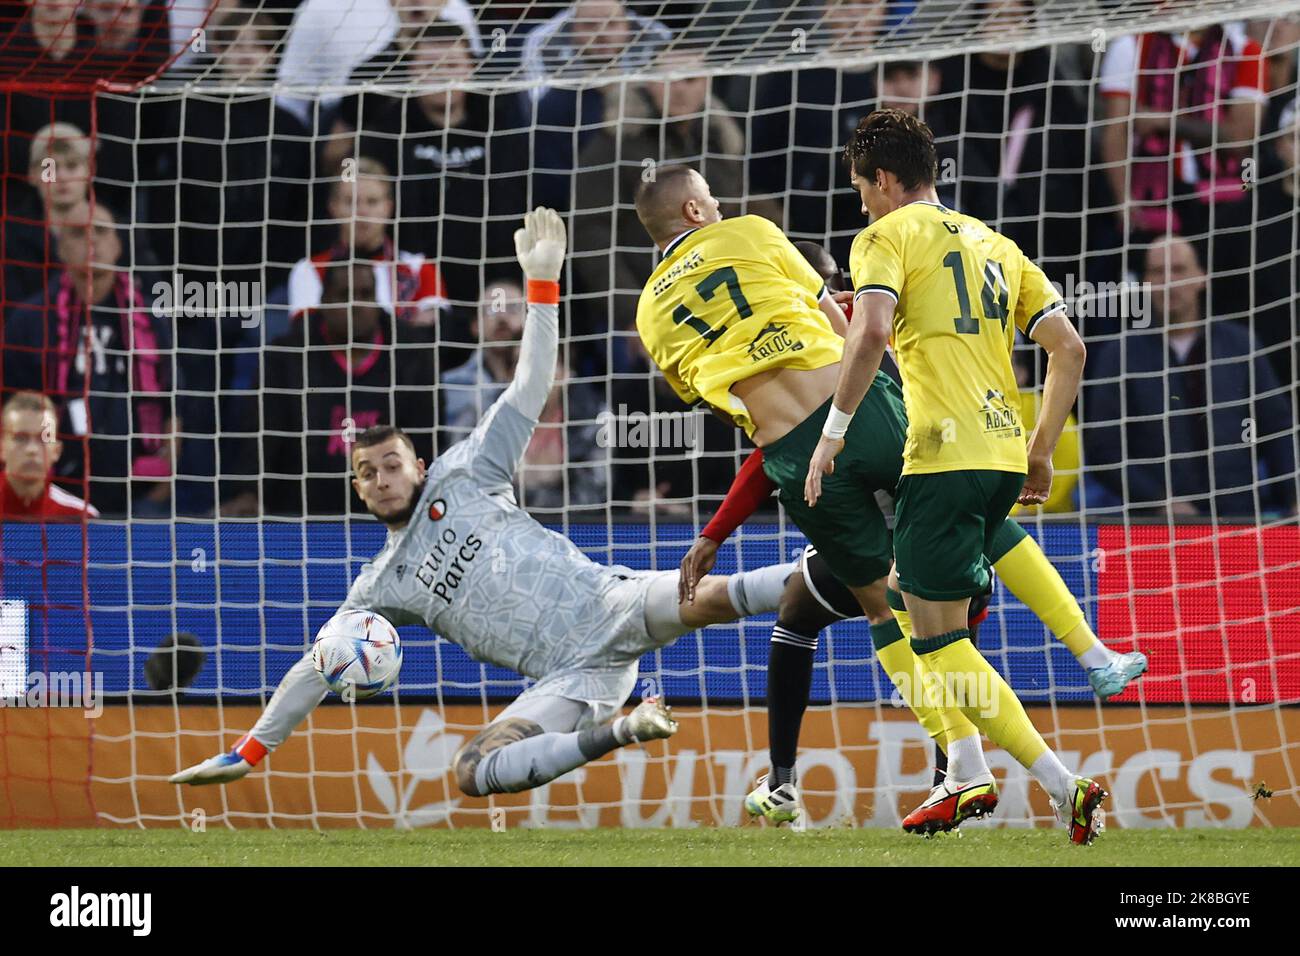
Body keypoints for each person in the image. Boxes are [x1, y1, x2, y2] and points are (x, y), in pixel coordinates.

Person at [170, 209, 796, 797]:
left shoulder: (466, 471)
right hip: (569, 680)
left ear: (418, 466)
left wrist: (542, 285)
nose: (383, 477)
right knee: (472, 773)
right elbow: (316, 669)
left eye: (392, 464)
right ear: (357, 489)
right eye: (367, 473)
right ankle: (624, 730)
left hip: (608, 601)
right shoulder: (380, 587)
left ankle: (822, 573)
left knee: (707, 596)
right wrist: (248, 753)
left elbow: (529, 382)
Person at [632, 162, 1115, 840]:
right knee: (965, 554)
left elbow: (727, 405)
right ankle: (1080, 670)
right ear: (693, 212)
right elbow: (851, 328)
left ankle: (973, 767)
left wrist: (721, 522)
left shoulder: (650, 313)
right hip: (859, 408)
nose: (718, 206)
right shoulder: (751, 232)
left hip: (793, 453)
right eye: (710, 199)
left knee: (882, 607)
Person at [802, 109, 1103, 842]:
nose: (861, 202)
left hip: (942, 455)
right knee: (905, 596)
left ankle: (1061, 786)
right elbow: (1070, 348)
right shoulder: (995, 242)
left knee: (936, 641)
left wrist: (831, 436)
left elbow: (872, 330)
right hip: (1004, 454)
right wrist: (1041, 450)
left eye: (860, 188)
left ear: (881, 179)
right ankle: (966, 766)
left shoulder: (882, 236)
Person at [1083, 234, 1297, 519]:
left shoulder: (1240, 344)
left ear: (1202, 277)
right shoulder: (1119, 355)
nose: (1169, 281)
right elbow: (1103, 448)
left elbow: (1277, 427)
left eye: (1179, 269)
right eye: (1158, 272)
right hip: (1153, 525)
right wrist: (1159, 500)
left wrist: (1294, 496)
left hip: (1240, 516)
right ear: (1144, 283)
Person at [3, 202, 175, 517]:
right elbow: (12, 411)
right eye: (78, 234)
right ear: (61, 249)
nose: (91, 241)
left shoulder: (152, 319)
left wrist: (159, 494)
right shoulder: (29, 320)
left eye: (101, 231)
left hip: (140, 493)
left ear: (118, 244)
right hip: (56, 496)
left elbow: (173, 407)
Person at [0, 391, 98, 519]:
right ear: (2, 448)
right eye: (20, 438)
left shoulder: (81, 516)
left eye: (44, 438)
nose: (32, 449)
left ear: (57, 450)